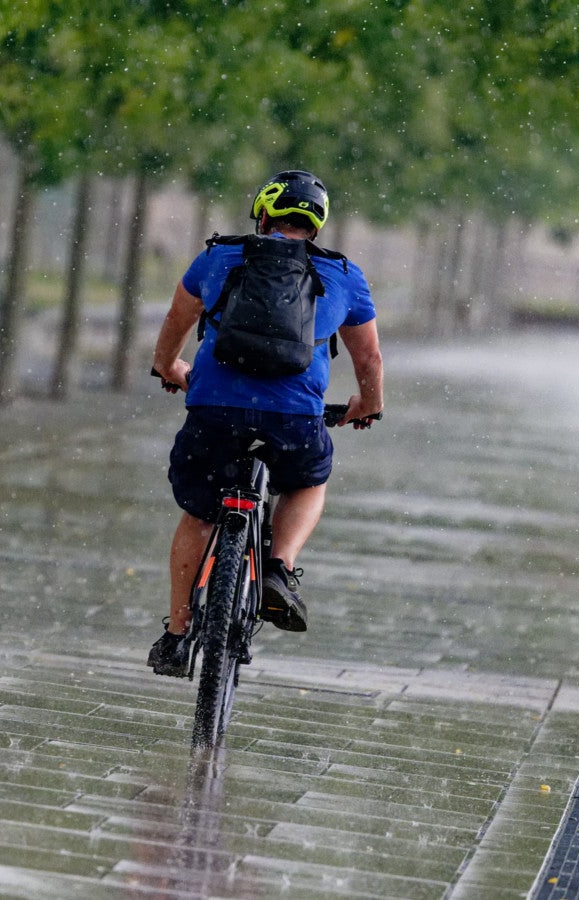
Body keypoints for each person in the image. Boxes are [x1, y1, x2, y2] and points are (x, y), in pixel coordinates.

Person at [147, 170, 384, 677]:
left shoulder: (218, 257)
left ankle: (176, 634)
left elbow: (176, 320)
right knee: (308, 480)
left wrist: (169, 366)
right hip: (295, 419)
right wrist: (368, 403)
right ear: (316, 226)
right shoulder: (344, 274)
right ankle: (278, 567)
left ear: (263, 214)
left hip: (213, 412)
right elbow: (370, 361)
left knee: (199, 514)